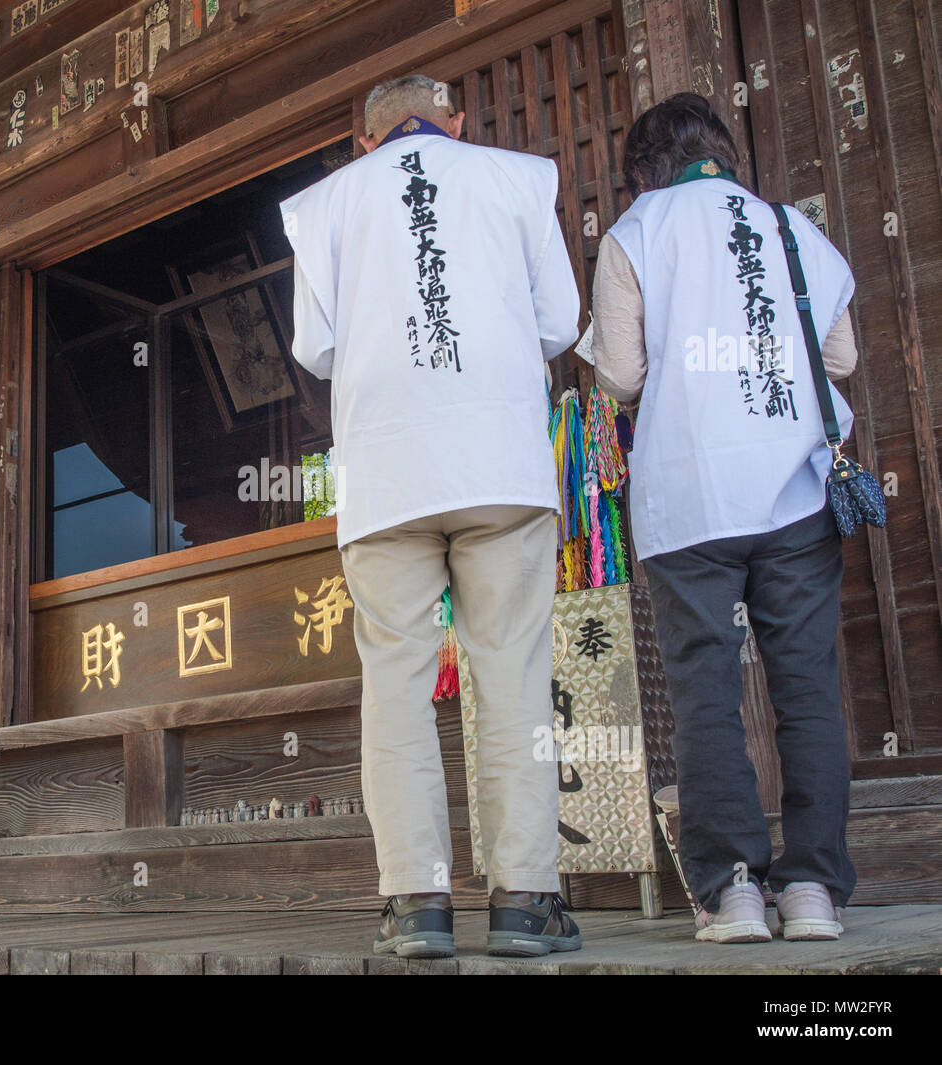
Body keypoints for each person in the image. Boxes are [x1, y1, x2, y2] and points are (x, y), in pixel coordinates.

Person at [280, 74, 581, 958]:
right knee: (512, 674)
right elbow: (559, 322)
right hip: (501, 463)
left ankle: (417, 904)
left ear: (364, 142)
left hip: (387, 474)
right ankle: (525, 899)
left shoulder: (326, 202)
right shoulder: (519, 178)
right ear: (457, 123)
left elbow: (316, 347)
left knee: (397, 687)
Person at [591, 93, 858, 943]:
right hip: (794, 494)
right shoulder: (791, 229)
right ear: (724, 153)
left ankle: (734, 890)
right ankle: (813, 888)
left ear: (645, 171)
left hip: (688, 499)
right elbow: (844, 355)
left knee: (705, 693)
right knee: (807, 687)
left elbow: (622, 377)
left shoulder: (634, 234)